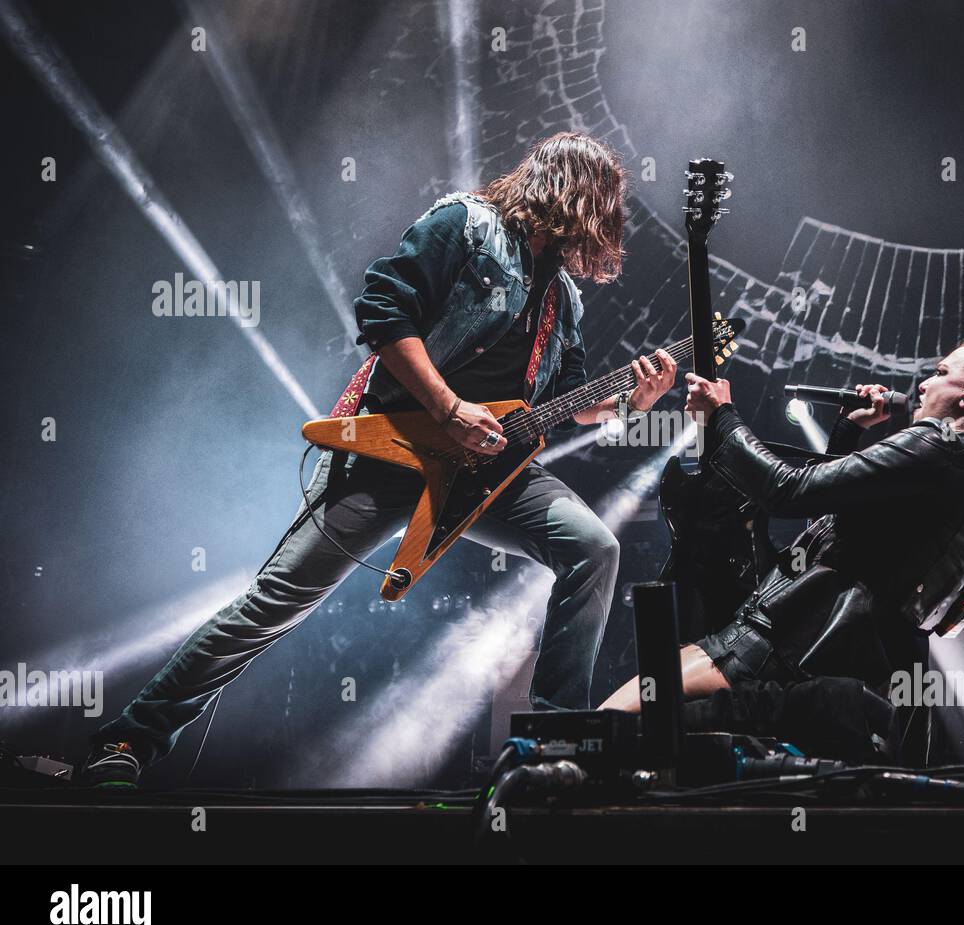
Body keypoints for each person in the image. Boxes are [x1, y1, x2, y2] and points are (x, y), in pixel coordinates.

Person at [83, 132, 679, 786]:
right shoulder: (465, 225)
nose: (608, 224)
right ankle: (128, 741)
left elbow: (567, 398)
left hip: (488, 471)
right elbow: (383, 309)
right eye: (603, 204)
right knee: (276, 600)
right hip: (398, 449)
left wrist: (631, 401)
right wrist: (451, 409)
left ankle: (555, 744)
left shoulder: (566, 297)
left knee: (594, 546)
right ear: (572, 192)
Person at [599, 327, 964, 762]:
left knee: (610, 728)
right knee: (625, 721)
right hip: (812, 653)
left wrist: (722, 417)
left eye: (942, 374)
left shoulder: (939, 448)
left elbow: (788, 490)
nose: (923, 385)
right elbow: (846, 518)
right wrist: (848, 432)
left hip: (783, 647)